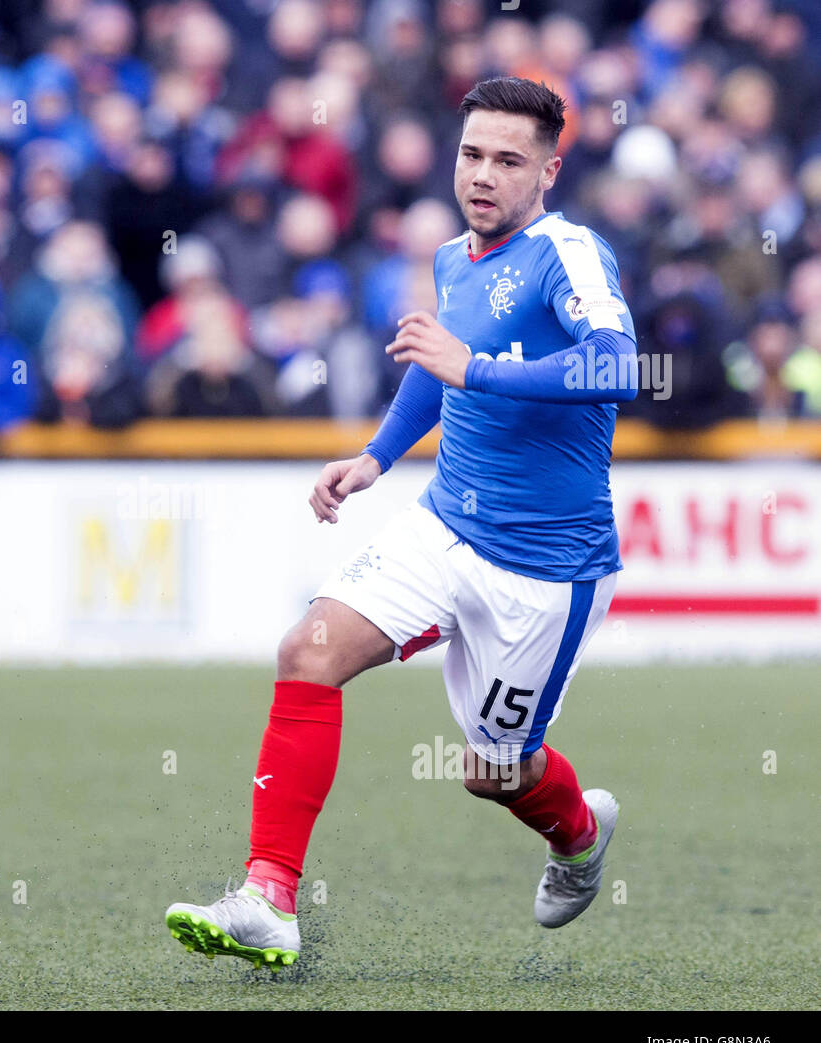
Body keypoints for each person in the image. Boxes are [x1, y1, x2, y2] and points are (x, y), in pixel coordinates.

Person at [166, 77, 638, 971]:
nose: (483, 175)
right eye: (471, 154)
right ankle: (268, 895)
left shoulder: (568, 254)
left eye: (508, 159)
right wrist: (376, 457)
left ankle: (578, 836)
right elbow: (436, 359)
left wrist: (478, 368)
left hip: (544, 570)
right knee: (307, 650)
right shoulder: (456, 257)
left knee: (492, 774)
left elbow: (616, 365)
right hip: (442, 526)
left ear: (549, 169)